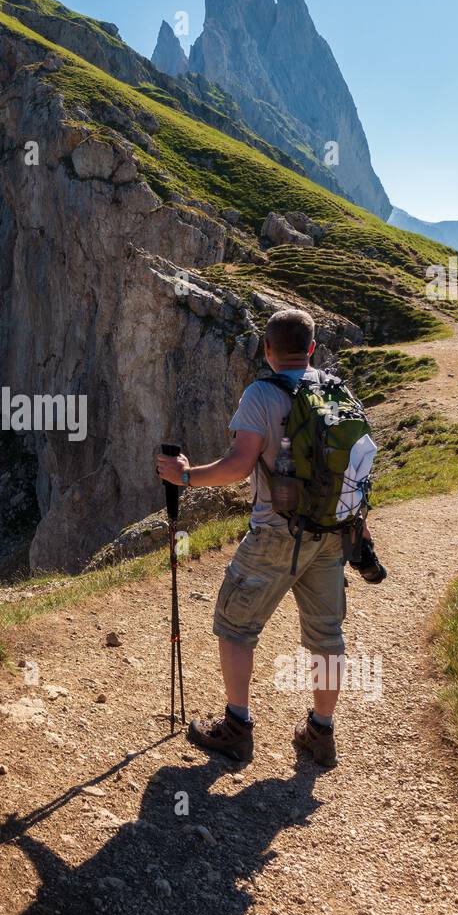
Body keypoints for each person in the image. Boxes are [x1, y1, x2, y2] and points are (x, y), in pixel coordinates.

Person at [155, 307, 368, 769]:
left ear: (268, 350)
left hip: (276, 532)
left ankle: (236, 728)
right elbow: (356, 471)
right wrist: (358, 531)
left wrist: (185, 476)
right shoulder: (337, 392)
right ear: (312, 348)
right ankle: (320, 732)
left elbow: (238, 464)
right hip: (331, 535)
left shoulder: (262, 394)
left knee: (234, 624)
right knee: (327, 634)